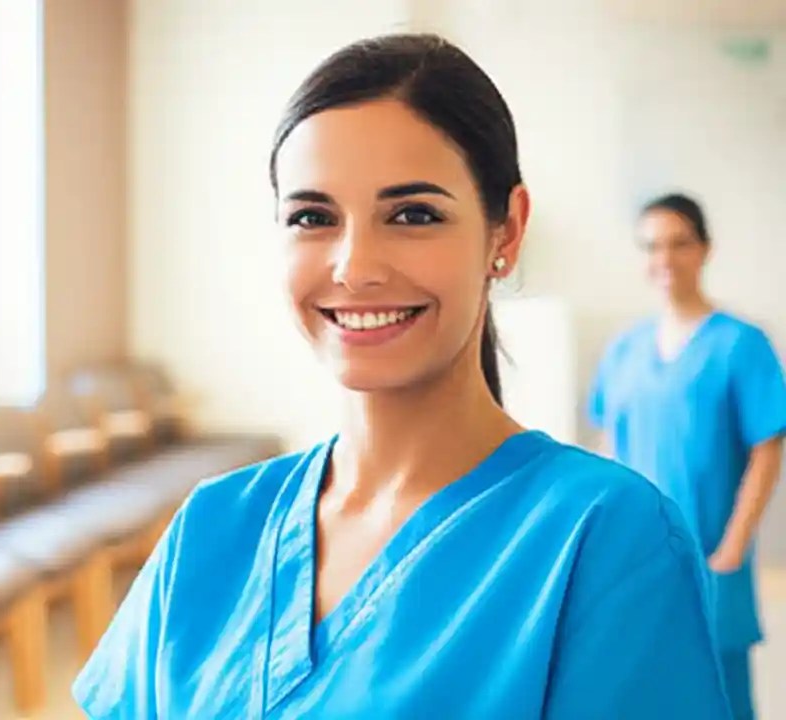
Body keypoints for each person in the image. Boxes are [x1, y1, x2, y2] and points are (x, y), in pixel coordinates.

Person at [72, 34, 732, 718]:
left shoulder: (603, 538)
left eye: (413, 214)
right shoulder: (213, 526)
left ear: (505, 233)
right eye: (312, 217)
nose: (355, 267)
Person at [589, 193, 786, 719]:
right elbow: (607, 450)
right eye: (652, 246)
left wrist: (734, 546)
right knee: (642, 688)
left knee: (719, 694)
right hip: (638, 556)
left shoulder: (741, 344)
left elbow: (767, 451)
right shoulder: (625, 349)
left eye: (679, 243)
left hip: (711, 552)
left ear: (704, 250)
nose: (665, 259)